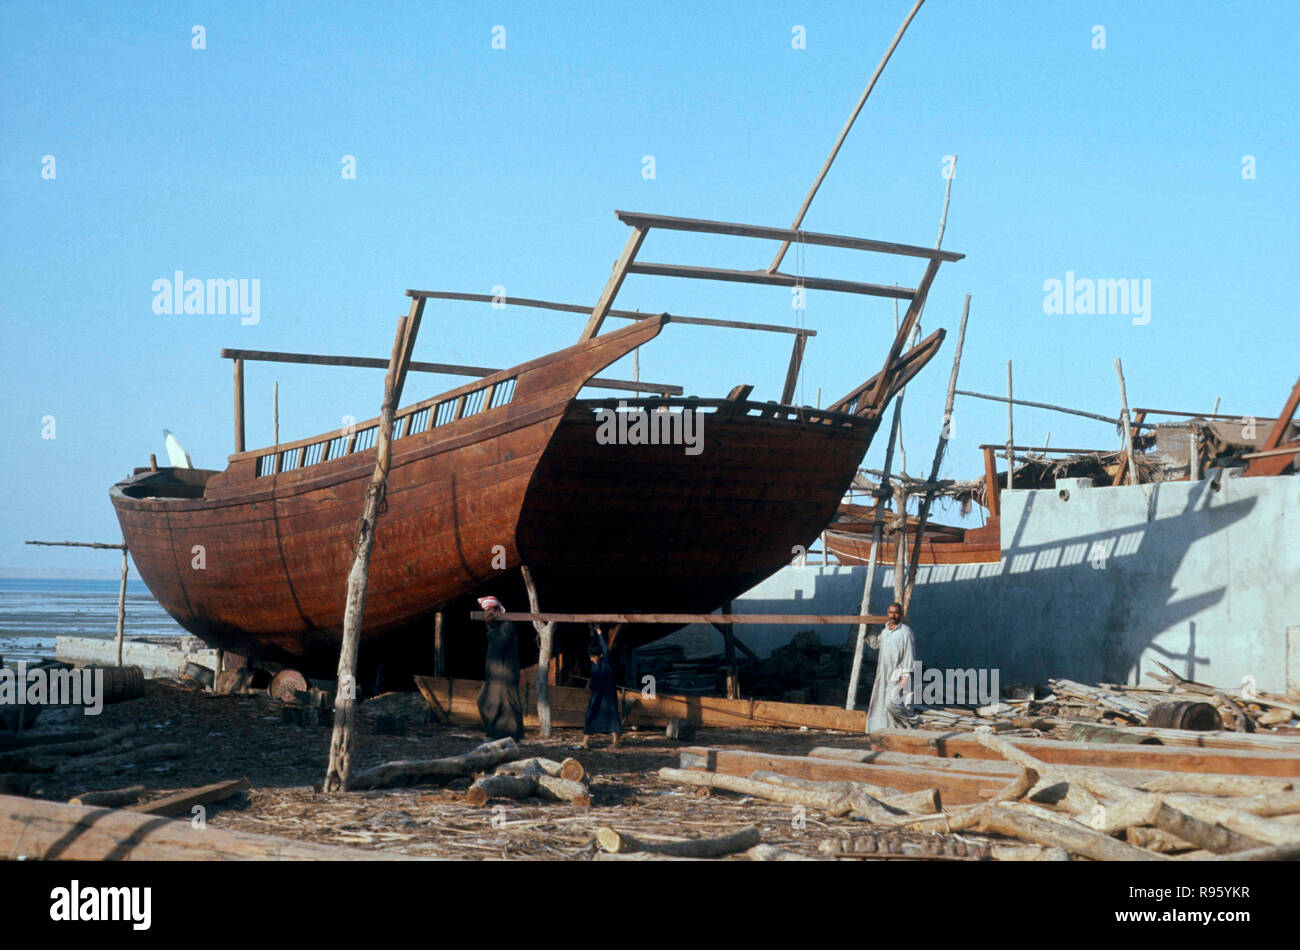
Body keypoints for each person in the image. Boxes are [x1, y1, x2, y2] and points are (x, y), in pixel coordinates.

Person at [476, 595, 523, 741]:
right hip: (494, 673)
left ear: (498, 610)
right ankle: (494, 733)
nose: (488, 614)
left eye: (490, 610)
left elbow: (500, 643)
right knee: (484, 701)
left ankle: (511, 736)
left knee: (507, 705)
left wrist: (489, 628)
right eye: (486, 611)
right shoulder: (496, 627)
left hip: (505, 673)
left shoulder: (506, 625)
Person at [866, 601, 916, 733]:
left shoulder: (905, 632)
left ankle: (910, 721)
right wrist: (868, 628)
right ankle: (891, 730)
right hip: (883, 672)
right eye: (891, 612)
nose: (893, 615)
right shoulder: (885, 631)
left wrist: (906, 676)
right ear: (887, 613)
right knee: (881, 702)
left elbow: (909, 654)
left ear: (900, 614)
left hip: (897, 674)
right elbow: (875, 644)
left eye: (896, 612)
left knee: (891, 703)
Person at [581, 630, 621, 749]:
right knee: (590, 715)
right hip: (596, 695)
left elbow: (604, 648)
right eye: (590, 657)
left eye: (593, 657)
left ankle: (616, 742)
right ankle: (584, 742)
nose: (591, 659)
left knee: (612, 716)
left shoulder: (606, 662)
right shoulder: (594, 664)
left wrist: (600, 633)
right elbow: (592, 676)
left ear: (601, 655)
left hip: (608, 695)